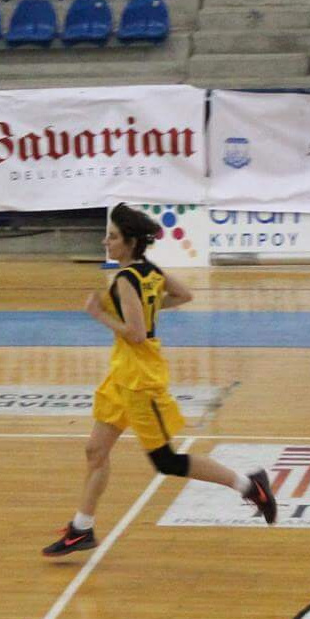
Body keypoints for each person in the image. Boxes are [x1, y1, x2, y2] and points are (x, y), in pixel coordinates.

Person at [43, 203, 277, 558]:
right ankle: (81, 528)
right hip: (122, 376)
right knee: (95, 450)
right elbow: (184, 294)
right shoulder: (150, 271)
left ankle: (249, 485)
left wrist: (99, 314)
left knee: (166, 461)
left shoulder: (125, 280)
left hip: (140, 379)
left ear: (130, 242)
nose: (106, 242)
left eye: (112, 237)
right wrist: (146, 310)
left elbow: (136, 334)